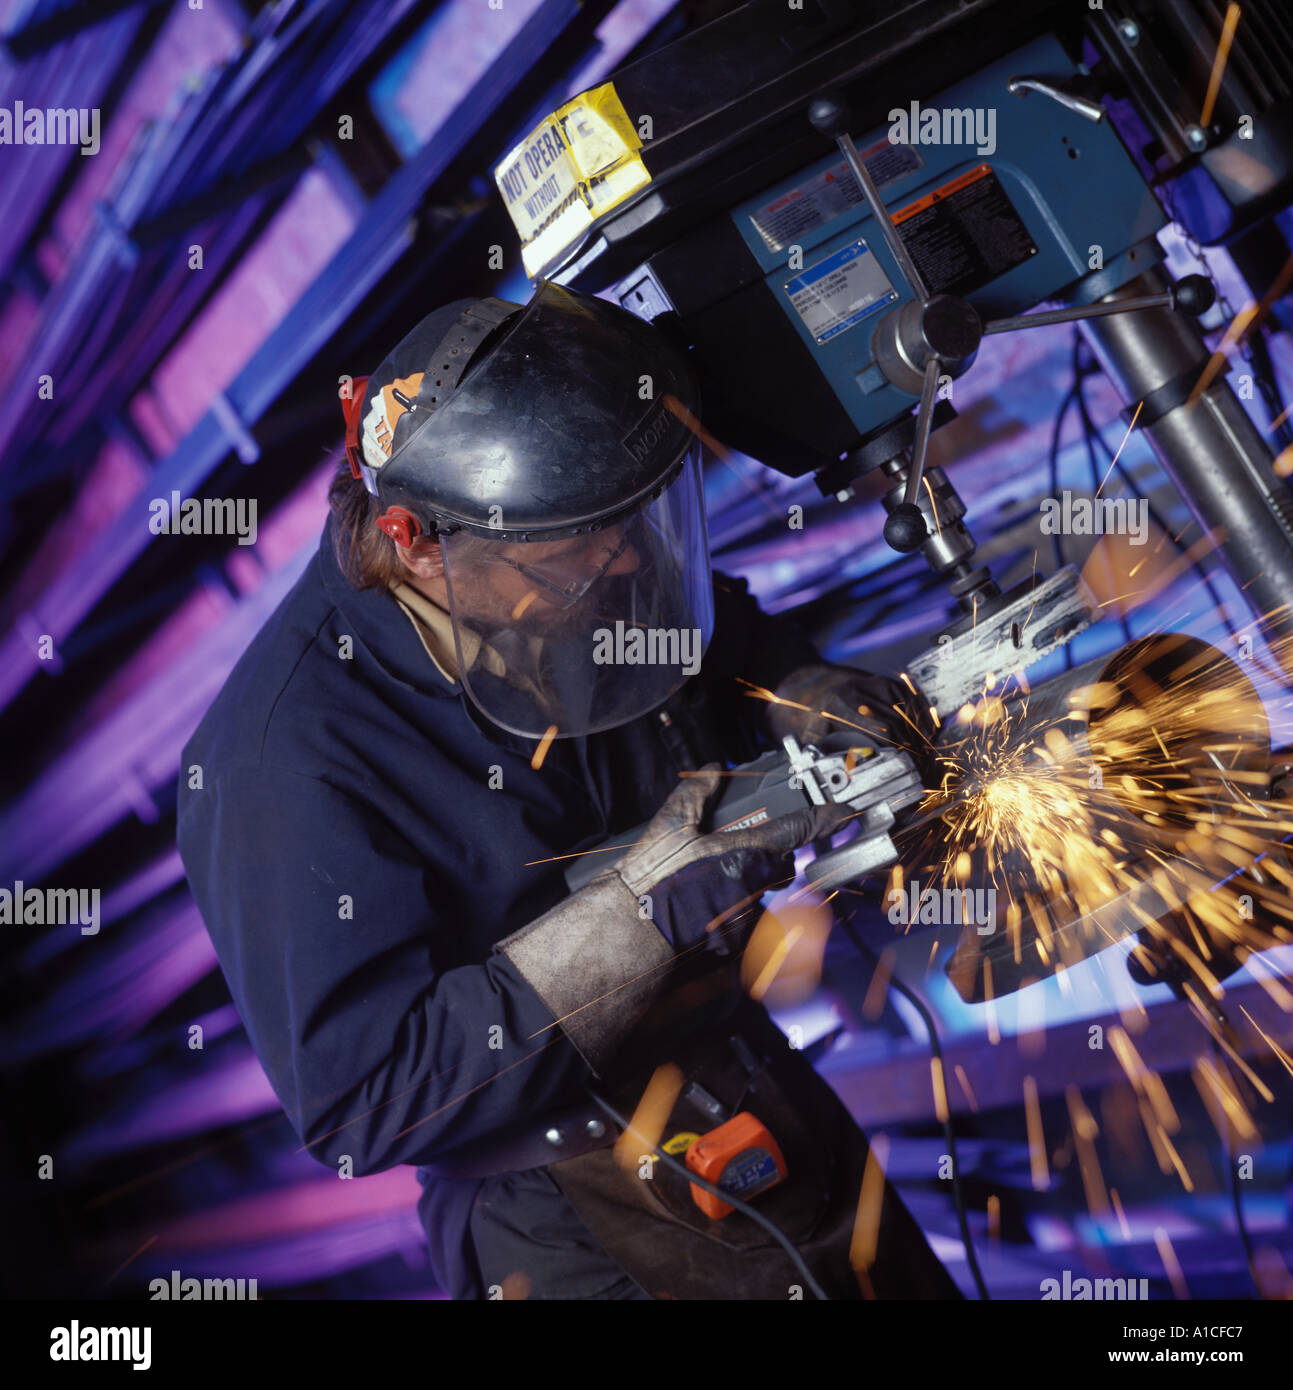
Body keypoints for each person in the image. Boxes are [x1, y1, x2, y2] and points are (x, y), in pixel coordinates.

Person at [177, 281, 960, 1300]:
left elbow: (708, 648)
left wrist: (798, 696)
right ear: (416, 539)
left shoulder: (567, 541)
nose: (627, 558)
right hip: (566, 1219)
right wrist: (634, 915)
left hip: (757, 1100)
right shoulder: (282, 761)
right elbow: (366, 1099)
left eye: (631, 526)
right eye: (581, 553)